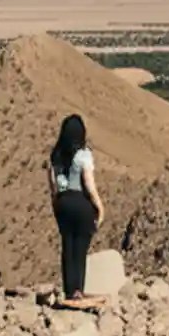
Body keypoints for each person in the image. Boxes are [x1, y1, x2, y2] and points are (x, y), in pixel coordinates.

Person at [47, 114, 106, 305]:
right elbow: (88, 183)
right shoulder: (83, 154)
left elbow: (53, 185)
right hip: (80, 202)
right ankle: (78, 290)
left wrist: (56, 205)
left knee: (67, 245)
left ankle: (68, 289)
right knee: (80, 247)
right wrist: (99, 206)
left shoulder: (55, 156)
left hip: (62, 202)